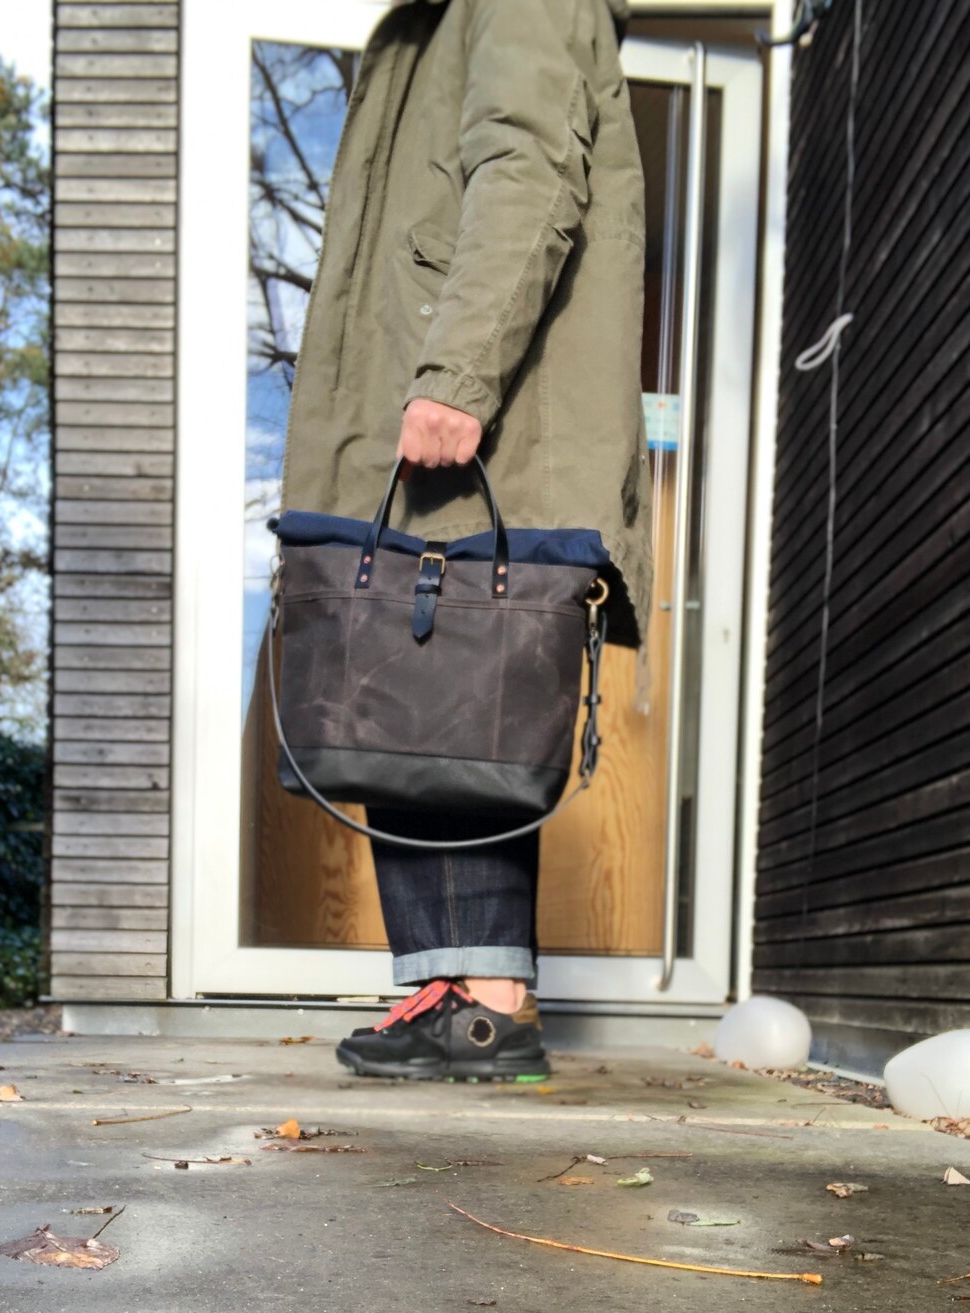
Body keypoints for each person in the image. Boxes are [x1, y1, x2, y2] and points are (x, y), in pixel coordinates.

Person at [279, 0, 651, 1080]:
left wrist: (454, 376)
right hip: (455, 401)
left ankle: (486, 998)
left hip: (472, 409)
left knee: (450, 699)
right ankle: (460, 985)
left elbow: (528, 174)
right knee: (428, 706)